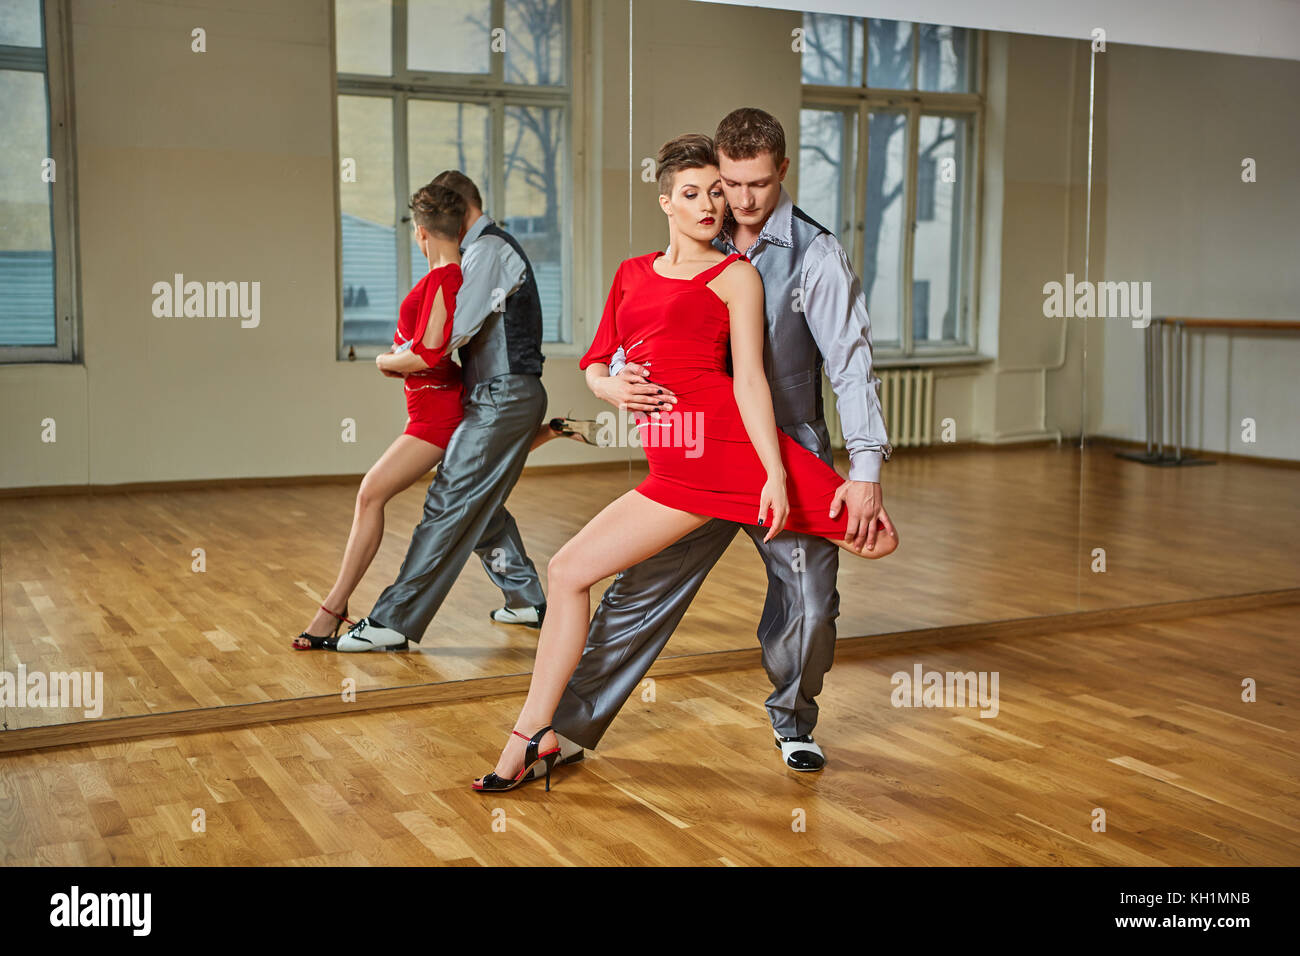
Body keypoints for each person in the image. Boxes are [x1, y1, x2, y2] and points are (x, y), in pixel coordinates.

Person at [471, 133, 897, 792]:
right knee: (567, 574)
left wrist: (777, 475)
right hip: (674, 467)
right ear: (666, 200)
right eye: (694, 193)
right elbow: (595, 360)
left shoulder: (736, 276)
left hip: (721, 458)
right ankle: (540, 733)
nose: (710, 205)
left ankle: (532, 737)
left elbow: (751, 381)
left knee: (868, 543)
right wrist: (610, 387)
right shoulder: (632, 273)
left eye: (718, 194)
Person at [294, 182, 583, 650]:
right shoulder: (473, 254)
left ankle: (393, 623)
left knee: (448, 502)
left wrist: (390, 360)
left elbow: (448, 338)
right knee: (479, 506)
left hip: (501, 392)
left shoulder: (485, 250)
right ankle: (526, 599)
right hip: (495, 393)